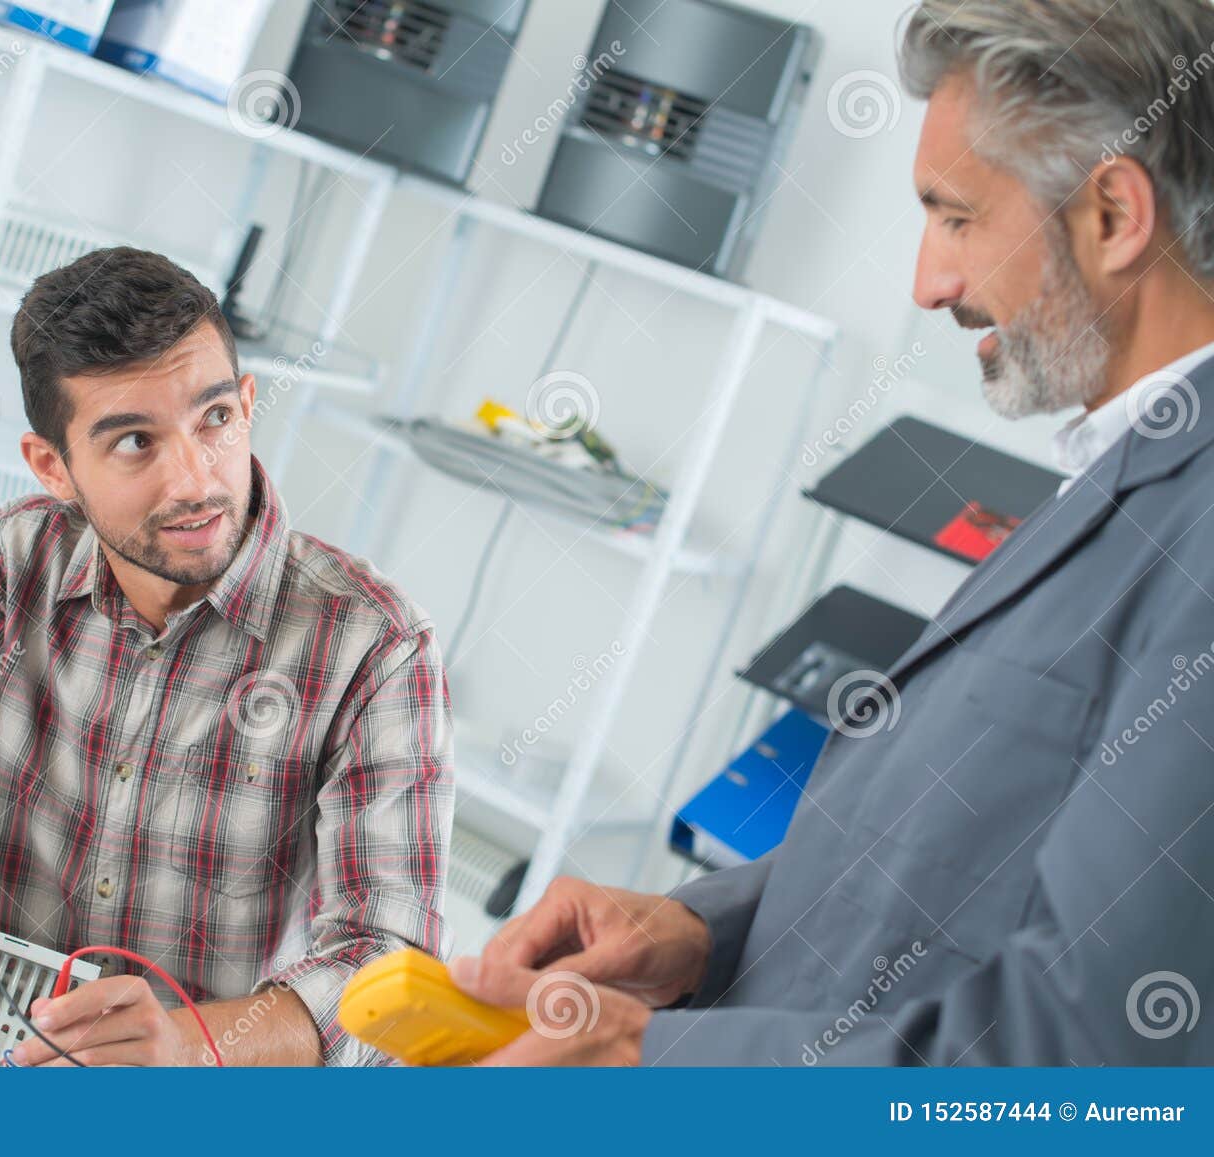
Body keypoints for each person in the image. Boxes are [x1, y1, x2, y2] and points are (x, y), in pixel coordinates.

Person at [454, 0, 1214, 1065]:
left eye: (955, 217)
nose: (929, 281)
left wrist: (644, 1059)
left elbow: (1084, 1048)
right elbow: (958, 856)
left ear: (1113, 218)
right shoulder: (1129, 465)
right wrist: (697, 935)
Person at [0, 247, 454, 1066]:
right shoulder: (21, 556)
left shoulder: (373, 644)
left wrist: (191, 1042)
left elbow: (390, 966)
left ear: (246, 403)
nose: (193, 481)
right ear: (53, 467)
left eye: (214, 419)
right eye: (135, 441)